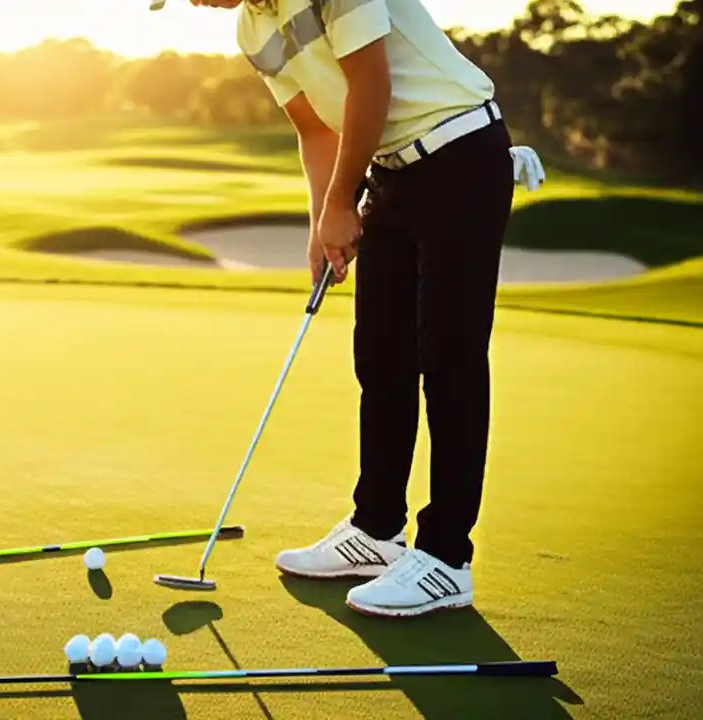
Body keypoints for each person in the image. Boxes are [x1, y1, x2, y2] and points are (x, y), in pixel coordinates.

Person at [189, 0, 543, 617]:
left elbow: (369, 82)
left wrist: (340, 205)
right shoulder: (252, 26)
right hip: (392, 174)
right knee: (380, 357)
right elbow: (315, 129)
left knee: (450, 355)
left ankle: (446, 559)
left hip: (460, 152)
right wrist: (323, 219)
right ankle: (376, 531)